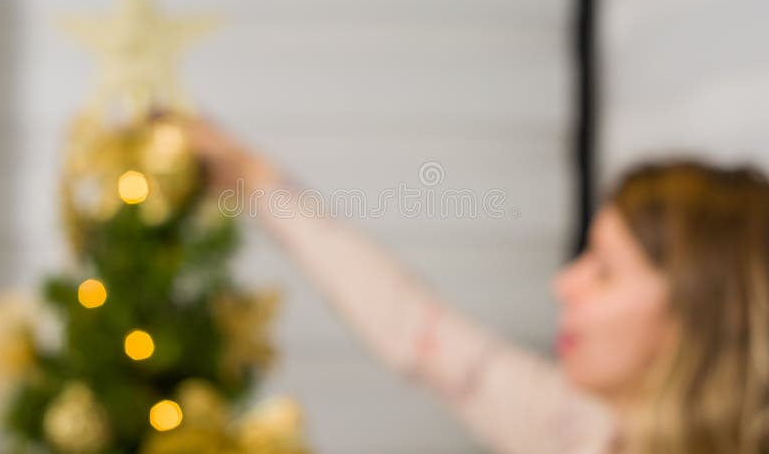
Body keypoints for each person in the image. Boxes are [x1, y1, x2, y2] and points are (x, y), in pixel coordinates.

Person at [181, 116, 769, 454]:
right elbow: (414, 329)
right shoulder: (582, 431)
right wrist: (250, 179)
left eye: (605, 271)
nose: (564, 284)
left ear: (700, 311)